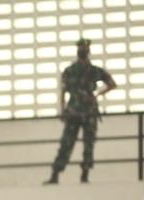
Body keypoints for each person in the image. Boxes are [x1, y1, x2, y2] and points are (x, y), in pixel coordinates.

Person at [45, 39, 117, 185]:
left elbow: (112, 84)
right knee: (67, 143)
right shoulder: (72, 70)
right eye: (81, 48)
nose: (83, 50)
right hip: (76, 111)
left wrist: (96, 94)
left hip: (85, 111)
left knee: (87, 143)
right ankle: (57, 173)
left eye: (84, 48)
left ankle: (83, 174)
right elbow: (63, 91)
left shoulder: (91, 70)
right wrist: (63, 109)